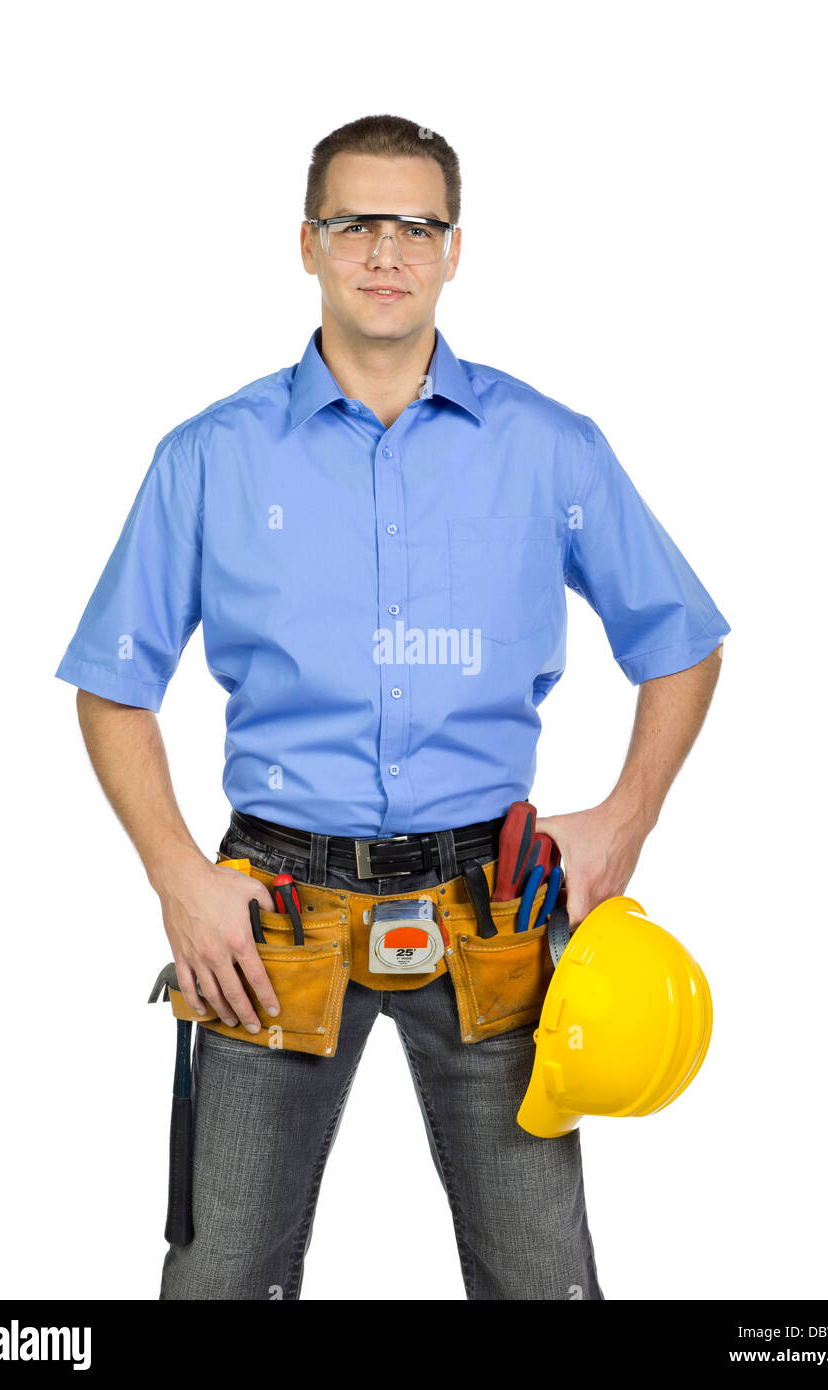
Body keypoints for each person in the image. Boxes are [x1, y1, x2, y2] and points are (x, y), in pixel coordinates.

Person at [56, 113, 730, 1301]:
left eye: (413, 225)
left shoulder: (548, 449)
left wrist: (625, 816)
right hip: (267, 920)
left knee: (542, 1282)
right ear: (306, 242)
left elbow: (679, 641)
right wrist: (176, 877)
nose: (384, 250)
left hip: (495, 913)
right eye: (354, 222)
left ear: (453, 250)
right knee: (218, 1281)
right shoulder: (208, 458)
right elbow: (114, 686)